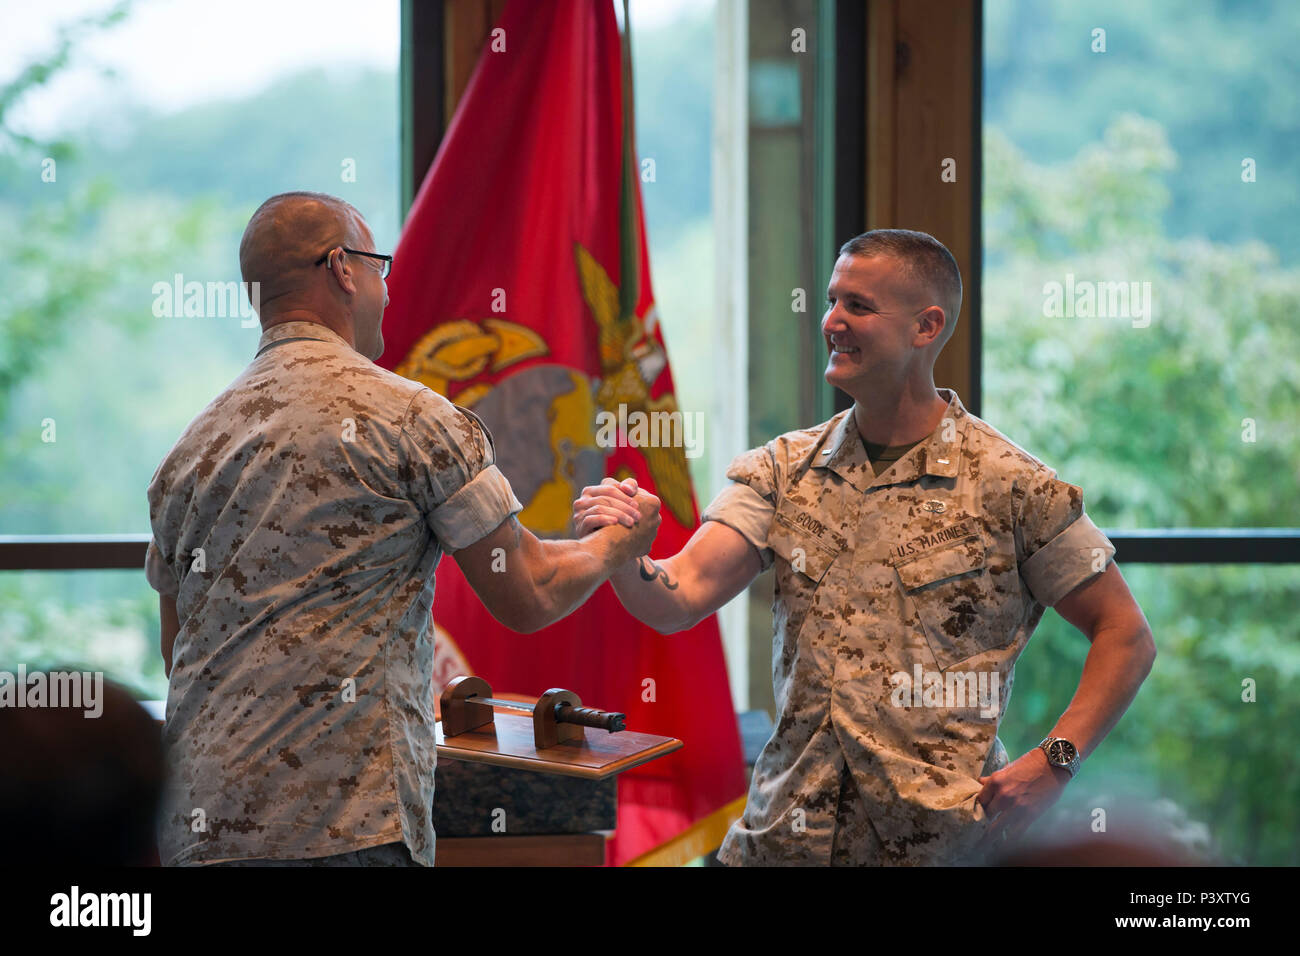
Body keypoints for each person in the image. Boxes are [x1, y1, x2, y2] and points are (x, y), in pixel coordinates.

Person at [574, 228, 1156, 866]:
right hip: (783, 843)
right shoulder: (782, 470)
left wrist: (1054, 762)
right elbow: (677, 596)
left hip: (941, 847)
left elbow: (1125, 634)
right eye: (831, 301)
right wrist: (625, 554)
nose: (831, 321)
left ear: (925, 327)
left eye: (858, 306)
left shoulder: (1011, 485)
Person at [145, 191, 658, 867]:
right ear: (341, 268)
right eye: (378, 265)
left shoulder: (192, 450)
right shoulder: (411, 420)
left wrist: (581, 545)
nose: (387, 290)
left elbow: (177, 646)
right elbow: (526, 591)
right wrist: (617, 543)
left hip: (200, 830)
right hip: (345, 828)